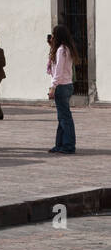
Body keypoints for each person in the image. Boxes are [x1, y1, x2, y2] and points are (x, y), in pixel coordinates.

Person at [47, 25, 77, 154]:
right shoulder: (66, 49)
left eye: (53, 34)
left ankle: (69, 145)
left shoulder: (61, 50)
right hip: (67, 85)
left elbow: (58, 71)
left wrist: (53, 87)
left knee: (65, 118)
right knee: (62, 117)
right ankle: (60, 144)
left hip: (61, 86)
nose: (52, 36)